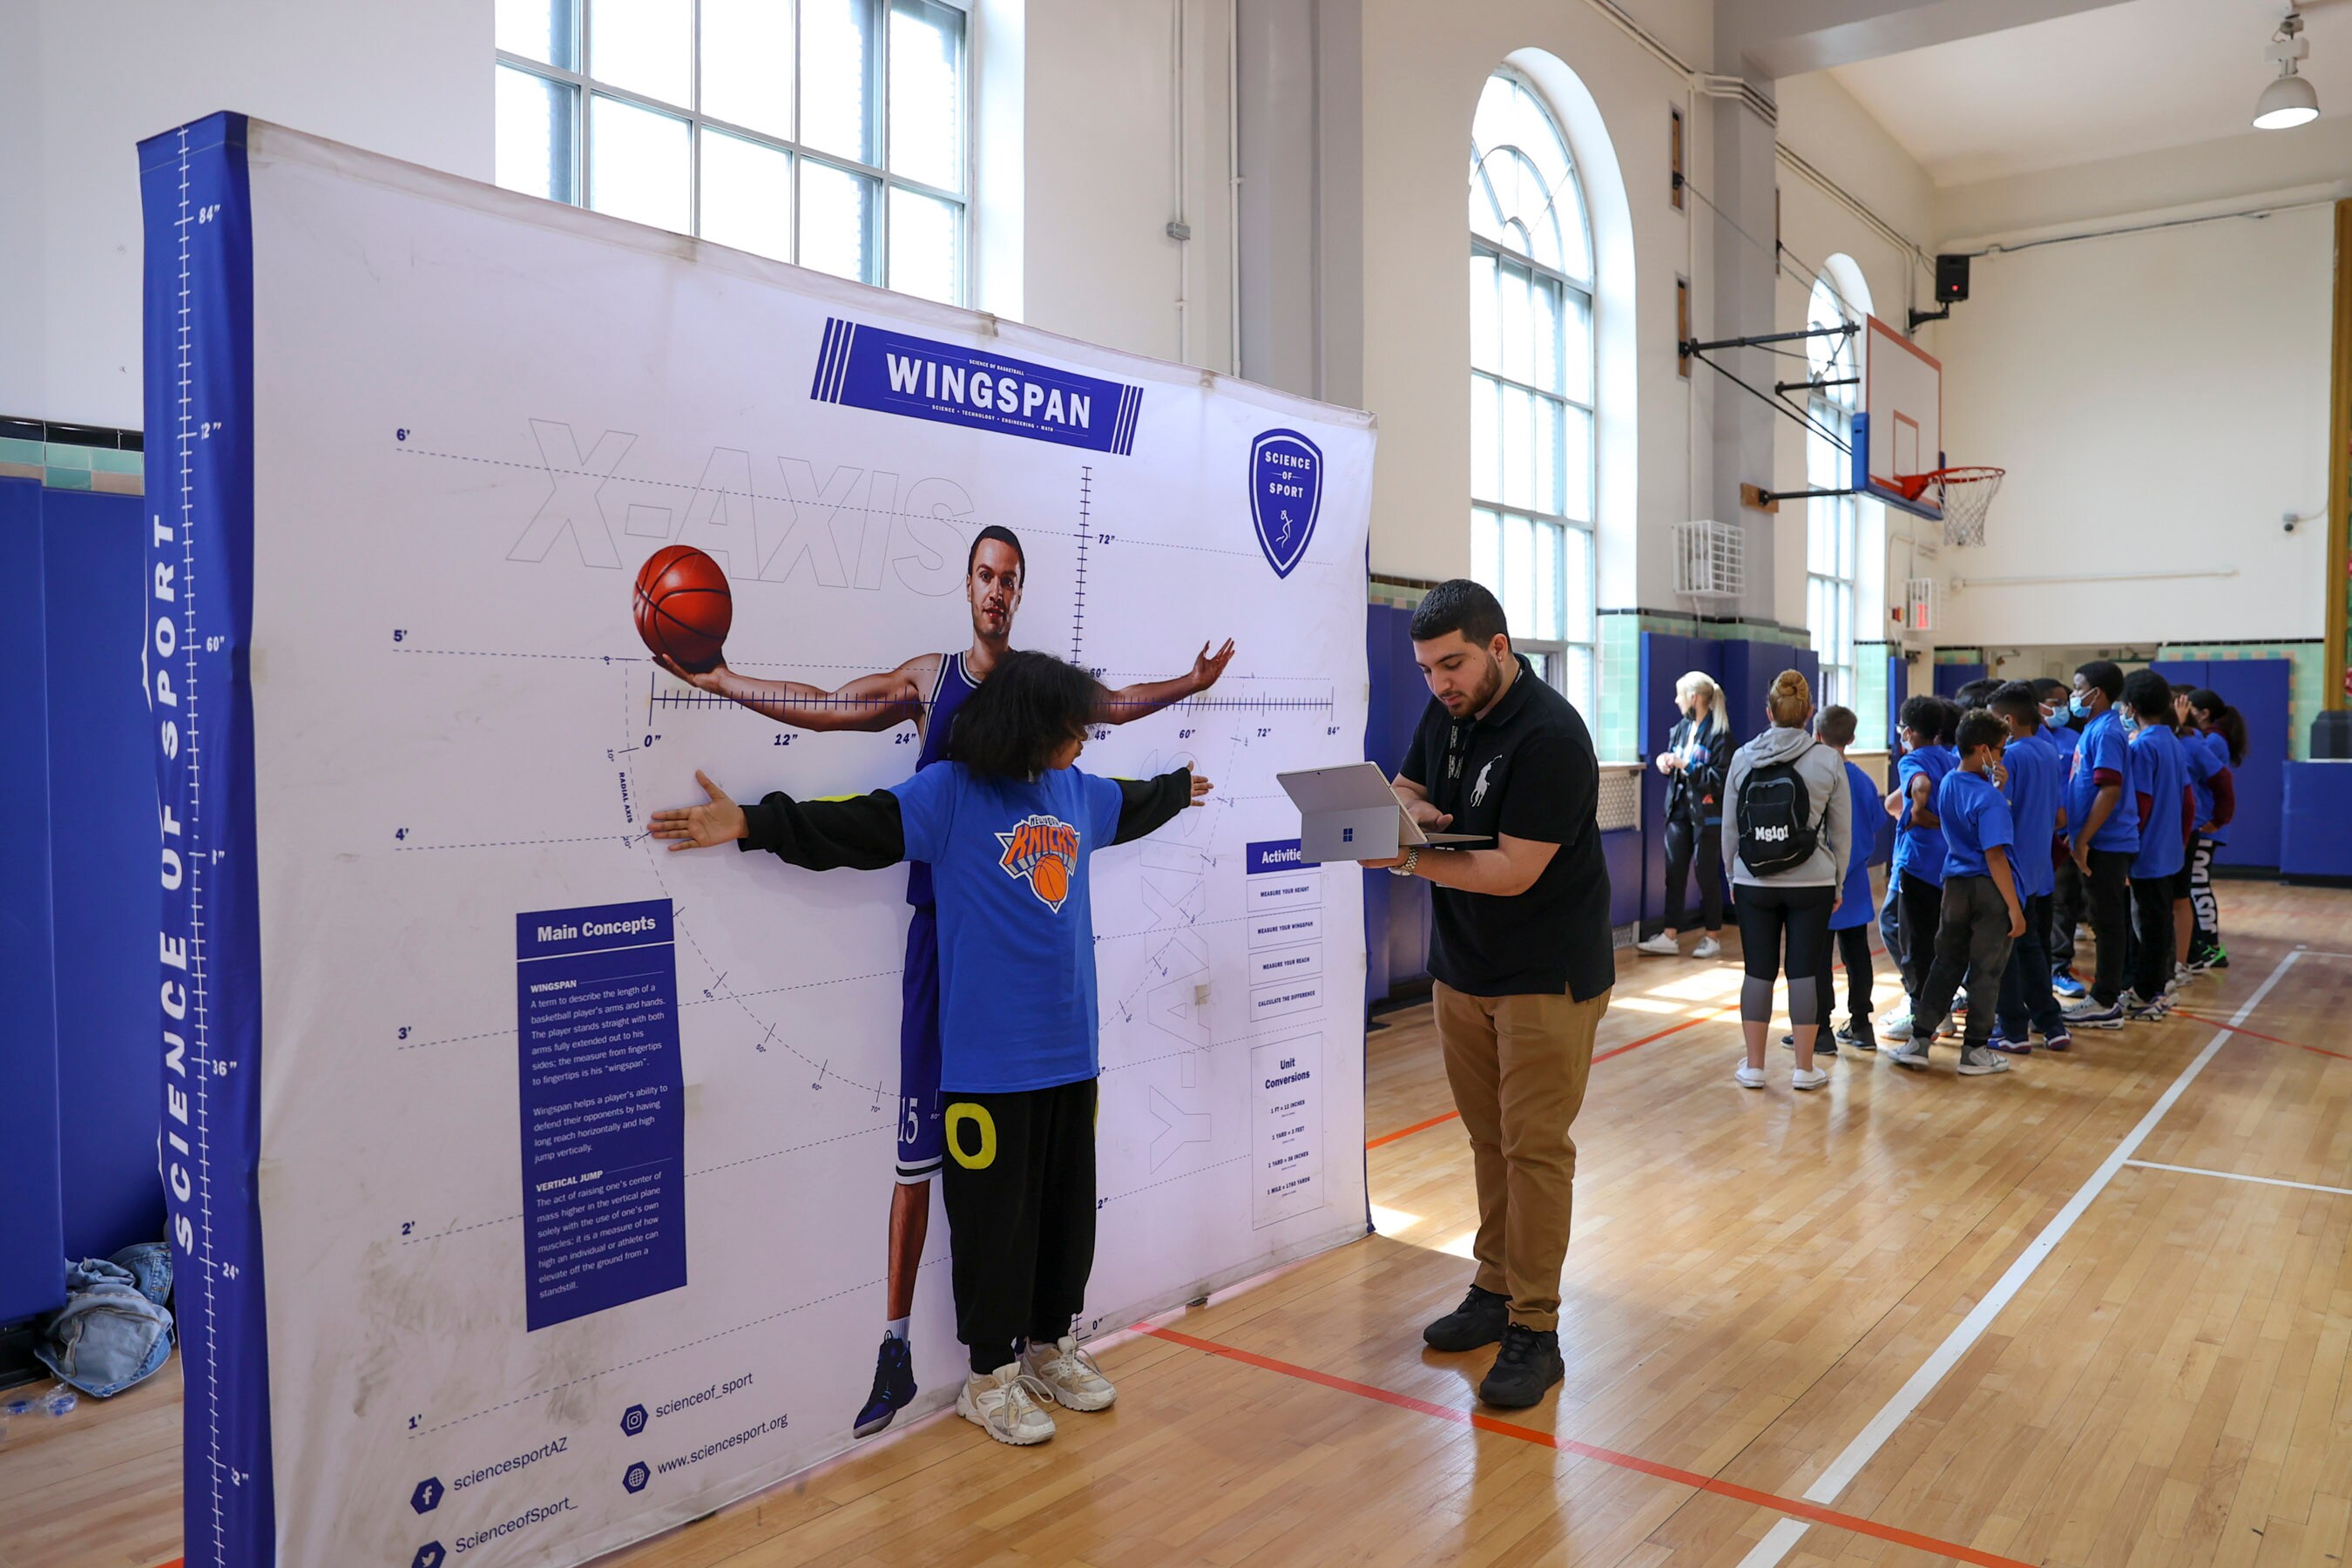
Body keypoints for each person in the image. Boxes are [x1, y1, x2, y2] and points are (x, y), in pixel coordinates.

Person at [656, 524, 1234, 1437]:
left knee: (1063, 1216)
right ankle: (989, 1371)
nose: (1081, 736)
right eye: (1068, 727)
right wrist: (755, 824)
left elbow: (1137, 798)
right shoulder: (953, 792)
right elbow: (853, 826)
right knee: (992, 1222)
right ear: (1027, 727)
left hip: (1069, 1054)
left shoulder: (1078, 795)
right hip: (988, 1059)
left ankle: (1049, 1344)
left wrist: (1178, 783)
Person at [1370, 579, 1613, 1411]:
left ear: (1499, 648)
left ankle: (1536, 1330)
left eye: (1454, 663)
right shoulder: (1446, 713)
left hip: (1546, 974)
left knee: (1534, 1148)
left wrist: (1403, 858)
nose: (1440, 682)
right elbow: (1406, 786)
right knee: (1486, 1140)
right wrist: (1401, 810)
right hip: (1462, 968)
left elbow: (1512, 871)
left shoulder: (1552, 736)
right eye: (1428, 669)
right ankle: (1494, 1287)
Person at [1723, 672, 1852, 1091]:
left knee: (1757, 971)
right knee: (1803, 972)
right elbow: (1842, 832)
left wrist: (1733, 874)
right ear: (1808, 713)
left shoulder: (1743, 758)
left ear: (1769, 712)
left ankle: (1755, 1067)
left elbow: (1729, 829)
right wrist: (1837, 883)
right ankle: (1803, 1069)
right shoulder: (1828, 760)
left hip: (1753, 880)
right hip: (1811, 882)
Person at [1891, 708, 2024, 1077]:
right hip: (1988, 889)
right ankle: (1976, 1051)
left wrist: (1995, 786)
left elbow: (1965, 815)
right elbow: (1995, 854)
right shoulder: (1991, 800)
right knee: (1986, 971)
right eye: (1999, 750)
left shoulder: (1949, 781)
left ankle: (1919, 1042)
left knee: (1944, 964)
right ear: (1982, 749)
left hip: (1953, 886)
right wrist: (2014, 908)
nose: (2001, 757)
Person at [1784, 704, 1878, 1055]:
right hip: (1855, 882)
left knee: (1816, 958)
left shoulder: (1813, 778)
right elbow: (1874, 826)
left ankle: (1820, 1029)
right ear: (1852, 738)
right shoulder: (1865, 781)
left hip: (1820, 880)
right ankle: (1862, 1024)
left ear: (1817, 735)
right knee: (1857, 955)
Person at [1985, 683, 2071, 1053]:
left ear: (2007, 720)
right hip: (2039, 869)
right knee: (2034, 951)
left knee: (2006, 954)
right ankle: (2051, 1024)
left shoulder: (2013, 758)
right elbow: (2054, 813)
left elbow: (2002, 811)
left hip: (2013, 870)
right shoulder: (2049, 751)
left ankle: (2013, 1030)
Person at [2060, 661, 2141, 1031]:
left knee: (2107, 921)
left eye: (2079, 688)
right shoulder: (2093, 729)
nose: (2074, 695)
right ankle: (2105, 994)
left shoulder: (2107, 731)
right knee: (2101, 918)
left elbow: (2110, 790)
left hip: (2106, 842)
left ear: (2099, 693)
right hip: (2095, 839)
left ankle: (2105, 1000)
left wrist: (2083, 837)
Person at [1879, 695, 1956, 1044]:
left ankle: (1922, 1009)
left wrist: (1920, 809)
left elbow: (1919, 786)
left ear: (1908, 732)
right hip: (1944, 863)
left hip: (1917, 864)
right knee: (1927, 939)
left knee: (1905, 937)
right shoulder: (1951, 758)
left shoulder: (1913, 760)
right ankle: (1938, 1007)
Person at [1638, 672, 1731, 959]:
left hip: (1707, 814)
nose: (1676, 701)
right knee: (1674, 872)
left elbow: (1720, 779)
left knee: (1706, 874)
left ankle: (1712, 936)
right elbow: (1673, 756)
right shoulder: (1681, 728)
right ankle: (1669, 935)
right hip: (1679, 810)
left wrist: (1687, 765)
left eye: (1680, 695)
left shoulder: (1720, 736)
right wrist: (1663, 761)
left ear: (1694, 698)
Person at [2119, 668, 2186, 1020]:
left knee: (2146, 924)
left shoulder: (2143, 746)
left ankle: (2147, 993)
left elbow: (2141, 802)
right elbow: (2187, 800)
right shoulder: (2173, 742)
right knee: (2159, 922)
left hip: (2147, 852)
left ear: (2130, 707)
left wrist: (2130, 849)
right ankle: (2159, 987)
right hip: (2169, 849)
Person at [2181, 687, 2245, 970]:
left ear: (2203, 713)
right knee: (2195, 882)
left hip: (2206, 824)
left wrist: (2181, 730)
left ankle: (2211, 946)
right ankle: (2203, 944)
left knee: (2197, 882)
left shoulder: (2214, 740)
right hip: (2203, 822)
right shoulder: (2213, 737)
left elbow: (2212, 776)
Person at [2033, 678, 2087, 998]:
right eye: (2055, 703)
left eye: (2065, 702)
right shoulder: (2019, 741)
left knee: (2064, 902)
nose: (2063, 709)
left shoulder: (2073, 739)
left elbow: (2081, 788)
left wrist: (2074, 831)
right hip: (2031, 836)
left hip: (2062, 836)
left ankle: (2058, 967)